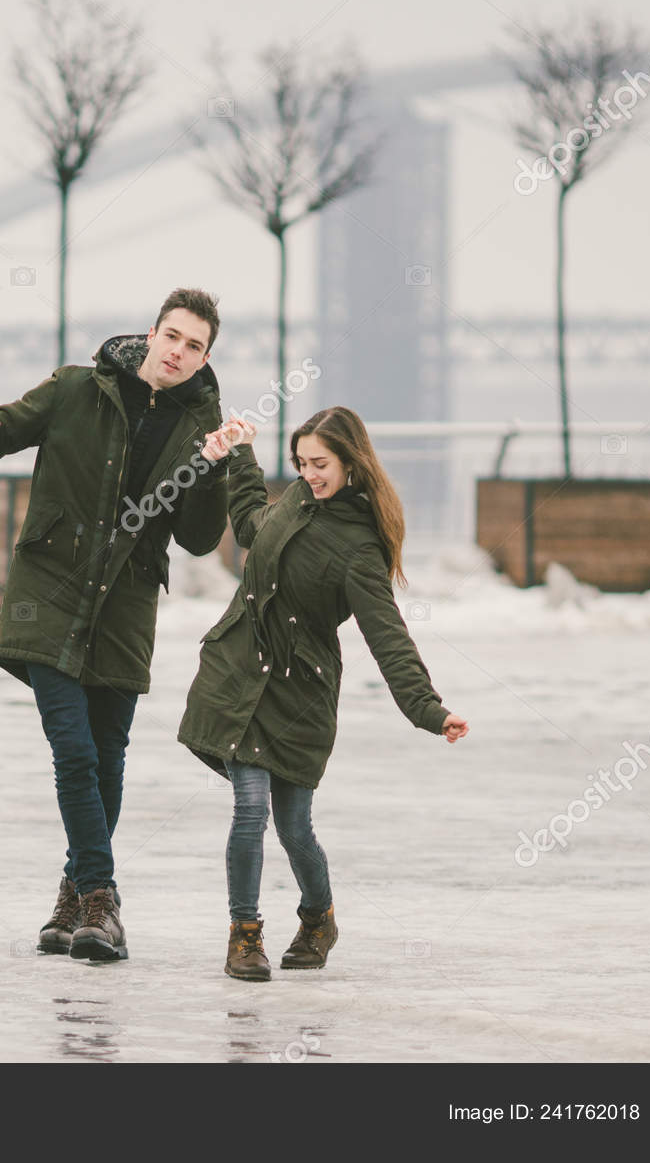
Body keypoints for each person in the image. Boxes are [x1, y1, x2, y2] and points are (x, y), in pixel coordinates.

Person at [0, 288, 239, 962]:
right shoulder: (77, 388)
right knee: (75, 750)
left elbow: (200, 539)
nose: (178, 351)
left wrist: (216, 469)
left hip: (126, 602)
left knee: (108, 756)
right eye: (172, 335)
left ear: (205, 357)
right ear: (152, 333)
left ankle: (71, 897)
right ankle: (103, 898)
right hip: (49, 592)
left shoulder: (202, 425)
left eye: (194, 345)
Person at [177, 406, 469, 981]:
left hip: (299, 696)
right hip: (240, 675)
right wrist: (240, 453)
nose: (309, 474)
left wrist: (428, 710)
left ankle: (319, 919)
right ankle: (244, 935)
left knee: (294, 828)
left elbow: (389, 638)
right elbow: (251, 526)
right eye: (302, 463)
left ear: (350, 461)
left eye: (321, 464)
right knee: (250, 808)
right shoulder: (294, 503)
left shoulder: (361, 548)